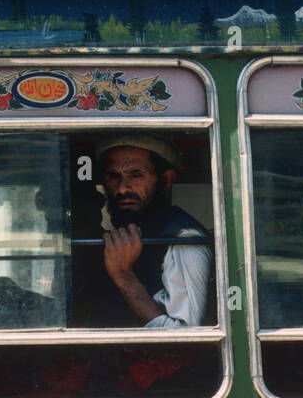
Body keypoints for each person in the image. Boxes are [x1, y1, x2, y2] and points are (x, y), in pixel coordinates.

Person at [91, 134, 212, 329]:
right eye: (114, 177)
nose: (122, 189)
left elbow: (184, 335)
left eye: (136, 175)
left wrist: (123, 274)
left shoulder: (183, 238)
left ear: (166, 180)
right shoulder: (127, 234)